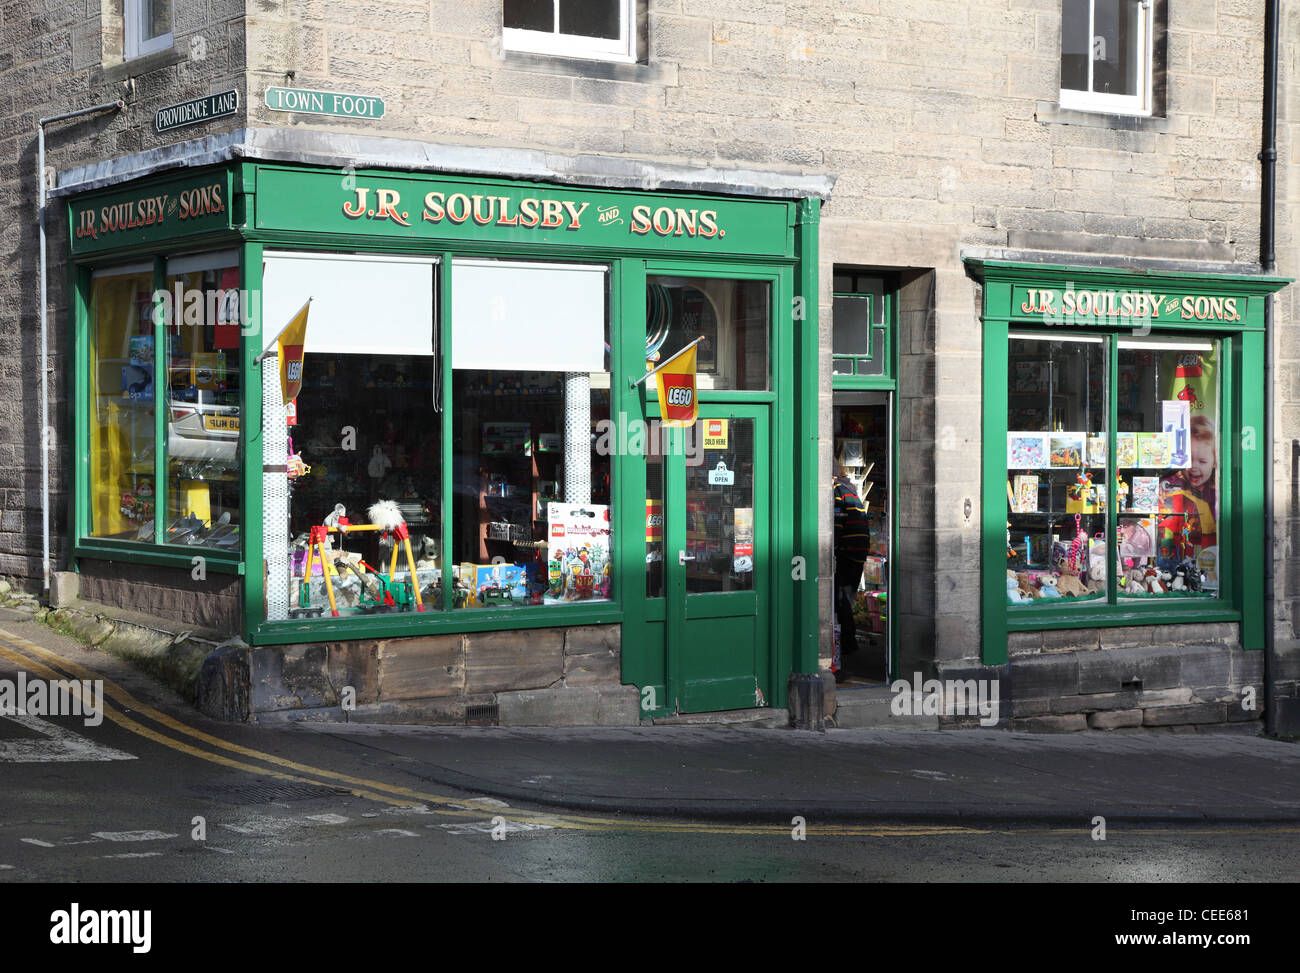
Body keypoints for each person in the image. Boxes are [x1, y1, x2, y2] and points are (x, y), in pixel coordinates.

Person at [833, 465, 870, 677]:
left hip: (847, 553)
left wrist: (833, 549)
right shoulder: (851, 490)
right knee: (845, 597)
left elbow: (837, 523)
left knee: (840, 599)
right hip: (858, 553)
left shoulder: (838, 490)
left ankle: (847, 644)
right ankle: (849, 642)